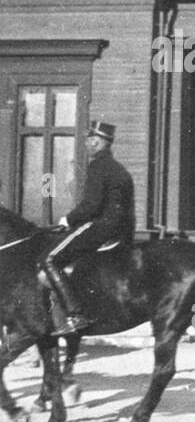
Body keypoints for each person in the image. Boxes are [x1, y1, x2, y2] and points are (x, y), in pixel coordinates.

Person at [41, 121, 135, 336]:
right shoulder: (119, 169)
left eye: (89, 139)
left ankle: (75, 315)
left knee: (50, 258)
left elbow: (91, 205)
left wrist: (68, 220)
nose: (86, 143)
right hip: (119, 231)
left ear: (97, 141)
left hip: (100, 226)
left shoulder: (98, 167)